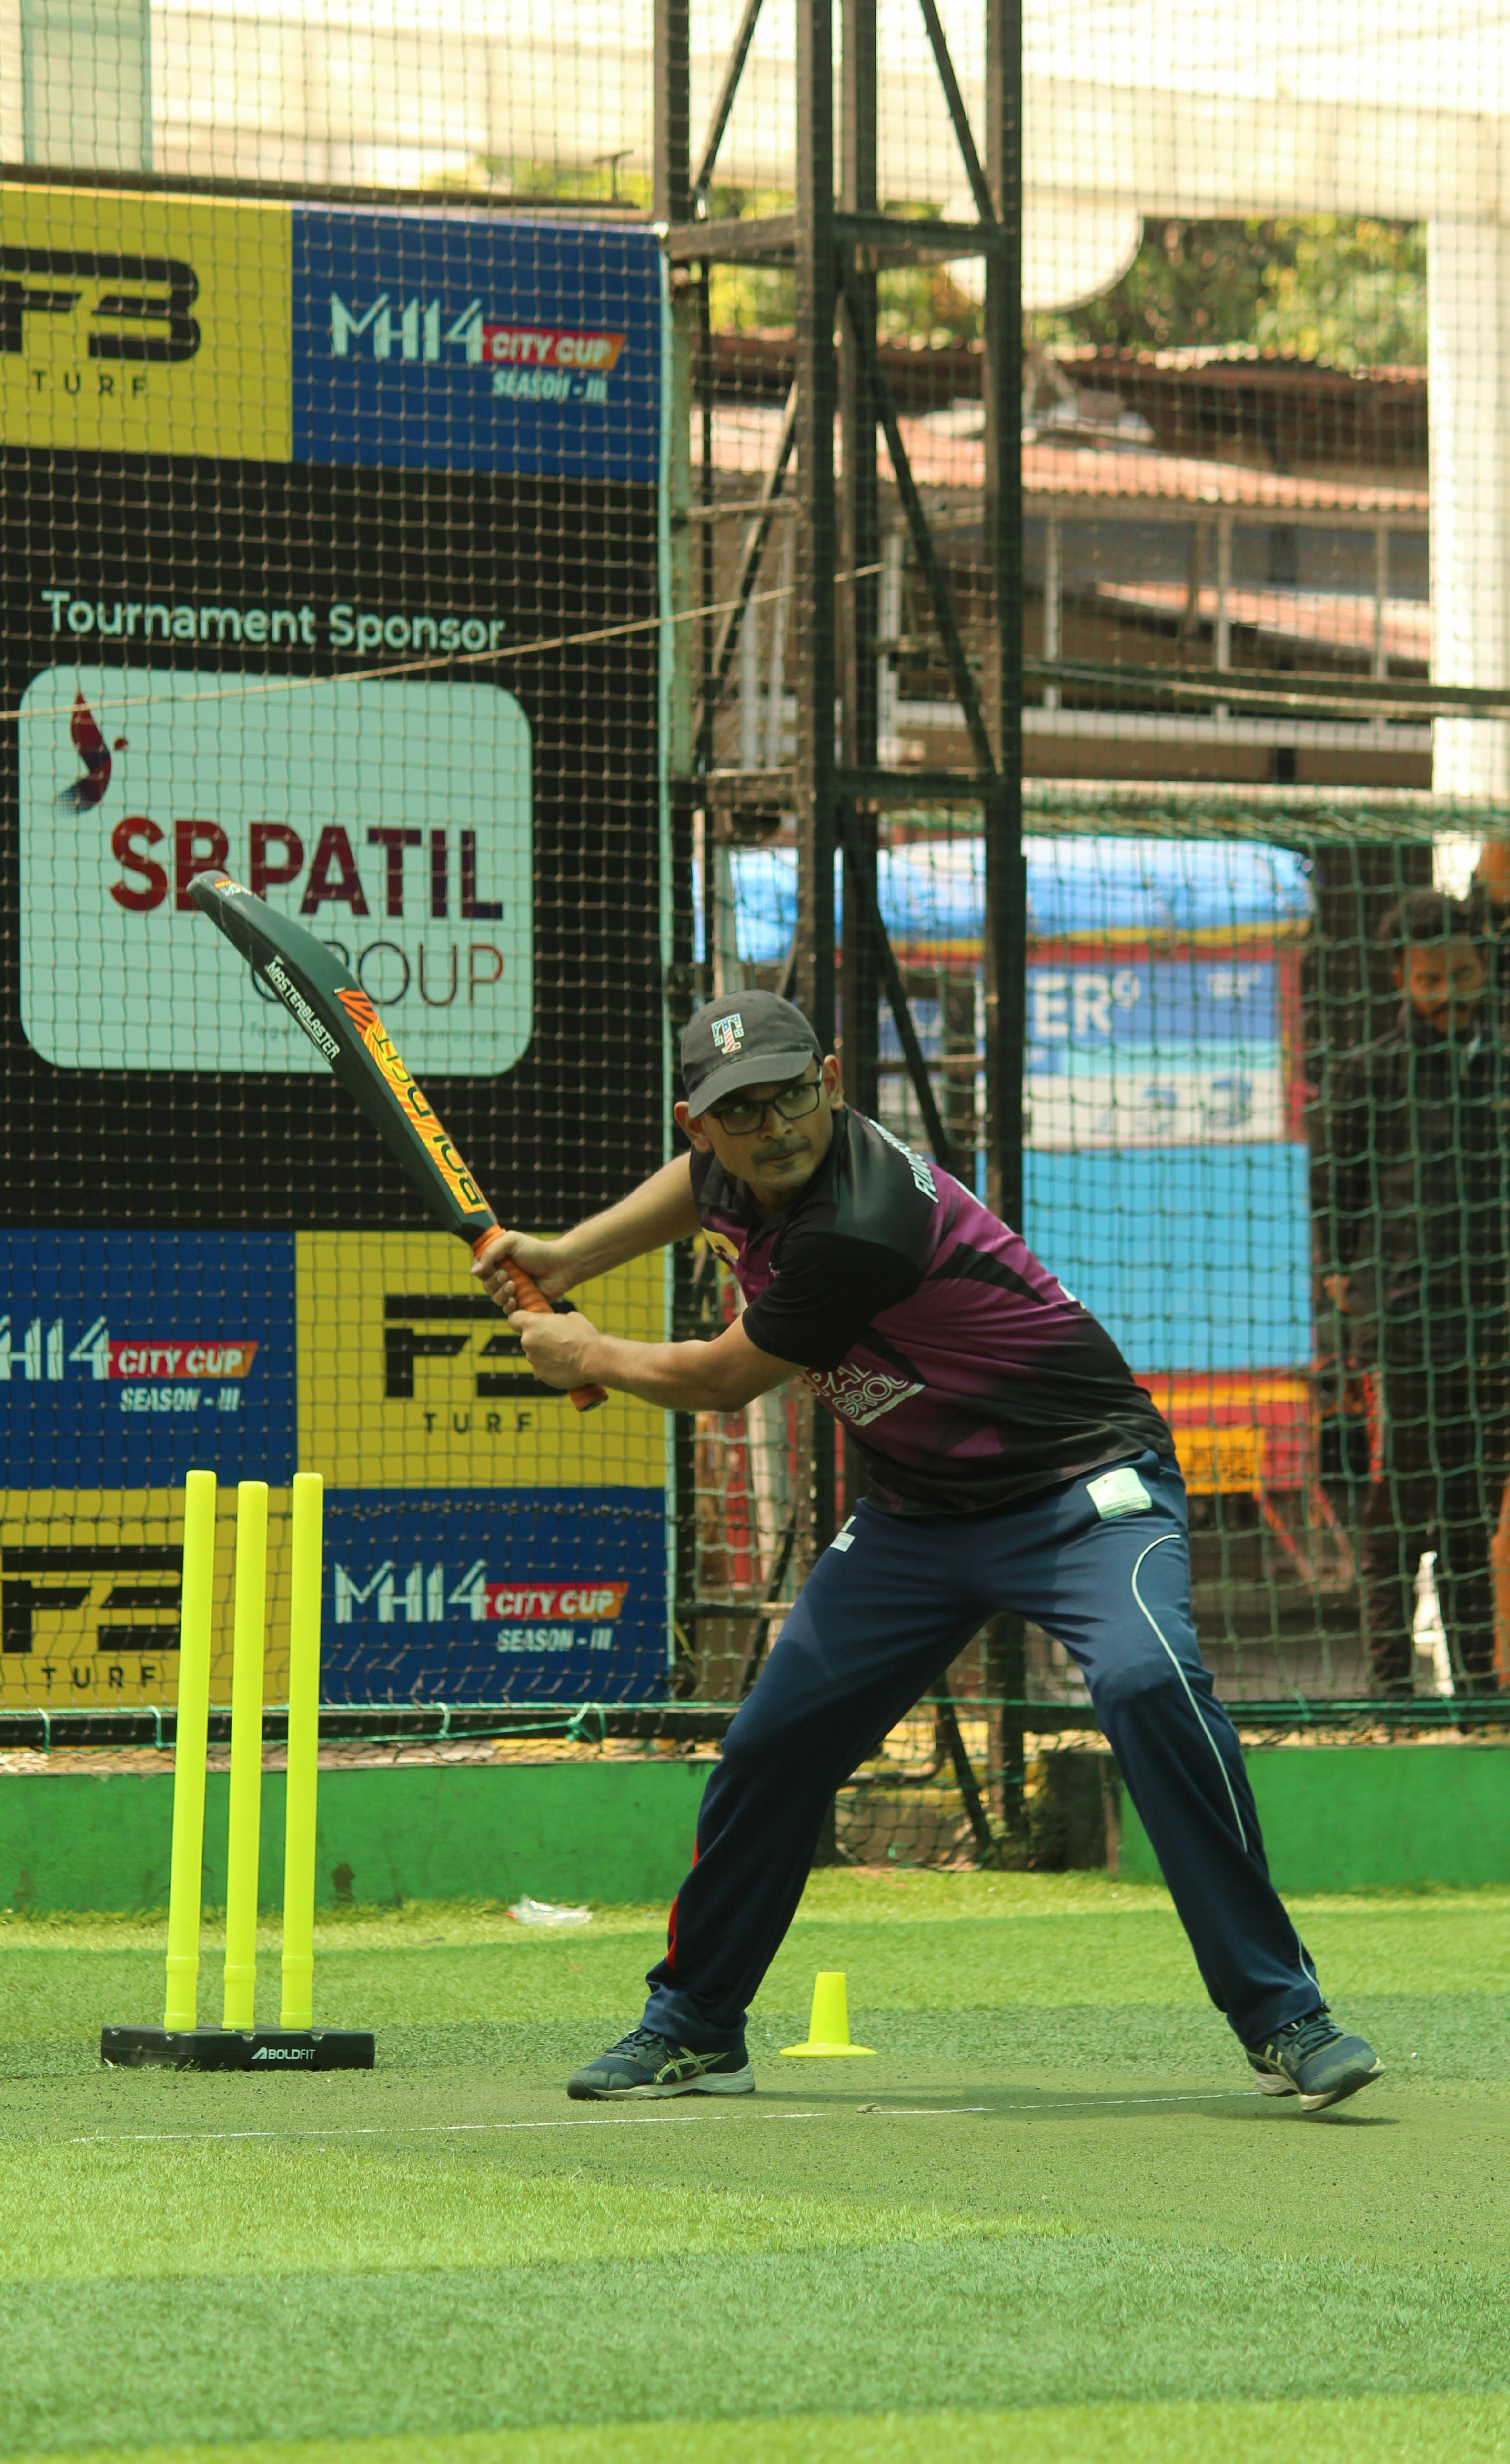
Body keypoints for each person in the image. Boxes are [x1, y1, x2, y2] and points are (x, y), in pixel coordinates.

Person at [478, 989, 1384, 2114]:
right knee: (772, 1746)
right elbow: (695, 1190)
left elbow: (717, 1384)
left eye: (793, 1094)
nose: (777, 1127)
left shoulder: (858, 1221)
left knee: (1149, 1681)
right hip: (920, 1514)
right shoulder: (737, 1161)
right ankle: (697, 2027)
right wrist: (569, 1251)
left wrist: (587, 1350)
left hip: (1082, 1490)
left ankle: (1286, 2016)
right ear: (697, 1123)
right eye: (741, 1111)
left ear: (835, 1078)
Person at [1313, 889, 1510, 1697]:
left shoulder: (1502, 1066)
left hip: (1494, 1337)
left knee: (1471, 1520)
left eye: (1462, 974)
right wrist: (1351, 1294)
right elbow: (1336, 1203)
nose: (1448, 994)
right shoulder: (1368, 1074)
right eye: (1431, 980)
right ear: (1401, 978)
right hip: (1400, 1340)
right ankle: (1391, 1693)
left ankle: (1475, 1691)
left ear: (1485, 969)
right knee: (1395, 1521)